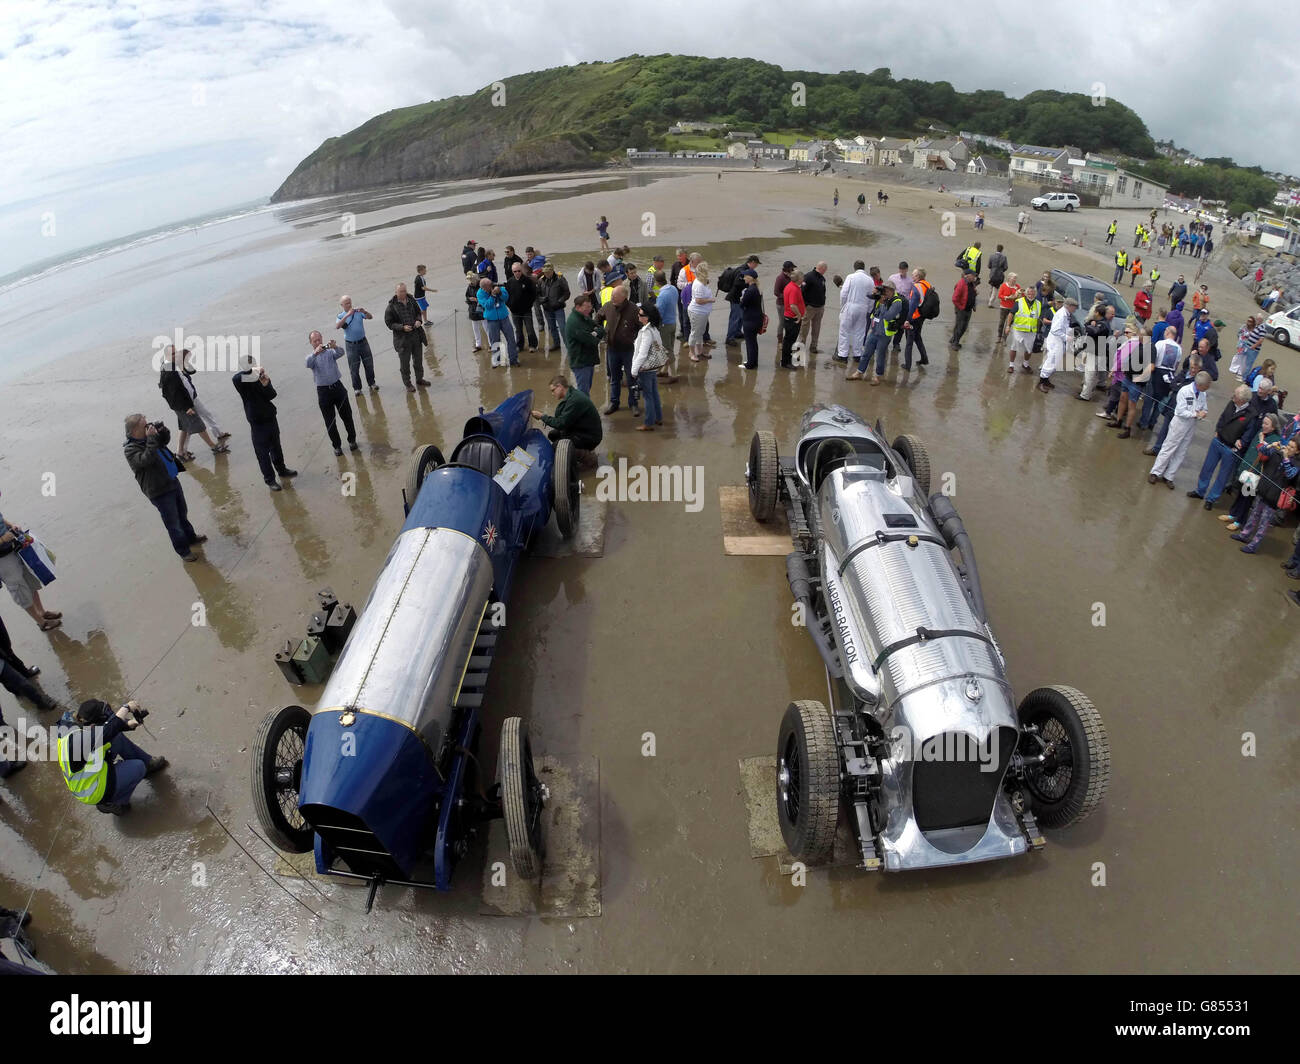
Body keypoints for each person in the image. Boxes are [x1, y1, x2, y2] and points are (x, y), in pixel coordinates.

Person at [57, 698, 167, 815]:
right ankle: (115, 803)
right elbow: (105, 730)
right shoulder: (78, 740)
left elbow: (107, 730)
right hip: (91, 790)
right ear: (92, 724)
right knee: (138, 767)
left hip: (89, 768)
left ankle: (148, 763)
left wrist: (130, 724)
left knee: (115, 737)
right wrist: (126, 707)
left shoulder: (74, 725)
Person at [121, 413, 207, 562]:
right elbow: (145, 460)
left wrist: (163, 431)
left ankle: (191, 538)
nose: (148, 428)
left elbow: (165, 442)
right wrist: (152, 438)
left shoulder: (149, 438)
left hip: (171, 481)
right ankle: (184, 551)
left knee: (182, 513)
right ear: (135, 431)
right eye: (144, 426)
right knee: (173, 523)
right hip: (158, 490)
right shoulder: (130, 449)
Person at [231, 367, 297, 491]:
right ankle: (270, 480)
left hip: (271, 419)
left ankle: (282, 470)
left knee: (276, 447)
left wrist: (266, 384)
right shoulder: (242, 384)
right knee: (262, 454)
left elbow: (272, 395)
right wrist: (252, 373)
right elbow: (235, 378)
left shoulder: (260, 379)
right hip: (257, 424)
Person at [1190, 385, 1256, 509]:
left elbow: (1248, 434)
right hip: (1218, 441)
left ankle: (1211, 499)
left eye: (1235, 395)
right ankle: (1200, 491)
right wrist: (1217, 430)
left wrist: (1239, 445)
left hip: (1230, 450)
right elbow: (1222, 417)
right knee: (1207, 468)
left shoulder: (1251, 415)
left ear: (1242, 400)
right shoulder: (1231, 404)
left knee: (1222, 476)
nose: (1232, 397)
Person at [0, 496, 62, 627]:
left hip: (14, 546)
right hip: (3, 559)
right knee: (19, 588)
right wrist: (3, 539)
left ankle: (42, 612)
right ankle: (41, 622)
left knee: (30, 579)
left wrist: (10, 525)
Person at [1230, 438, 1299, 553]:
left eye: (1292, 447)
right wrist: (1270, 446)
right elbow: (1262, 451)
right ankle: (1244, 535)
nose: (1288, 448)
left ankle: (1253, 546)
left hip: (1274, 497)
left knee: (1263, 523)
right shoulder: (1277, 453)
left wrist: (1286, 458)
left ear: (1297, 451)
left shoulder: (1296, 464)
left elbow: (1290, 474)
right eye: (1289, 445)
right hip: (1263, 490)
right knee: (1254, 515)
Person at [158, 349, 228, 462]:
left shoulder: (171, 366)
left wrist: (183, 363)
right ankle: (214, 447)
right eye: (173, 353)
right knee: (199, 426)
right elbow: (175, 391)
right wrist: (186, 407)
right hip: (184, 404)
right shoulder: (169, 370)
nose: (176, 354)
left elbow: (183, 380)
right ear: (167, 356)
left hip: (185, 402)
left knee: (184, 427)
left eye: (176, 352)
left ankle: (180, 452)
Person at [1148, 372, 1212, 487]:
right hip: (1179, 423)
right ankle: (1155, 472)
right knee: (1168, 448)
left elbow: (1204, 408)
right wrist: (1195, 414)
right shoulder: (1185, 391)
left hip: (1191, 425)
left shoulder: (1203, 394)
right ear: (1200, 385)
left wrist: (1203, 413)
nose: (1208, 388)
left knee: (1181, 451)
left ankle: (1169, 476)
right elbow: (1180, 411)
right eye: (1207, 386)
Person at [1225, 413, 1283, 531]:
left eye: (1267, 424)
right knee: (1240, 494)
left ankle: (1240, 521)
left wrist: (1262, 441)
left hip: (1256, 473)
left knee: (1247, 498)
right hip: (1248, 469)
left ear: (1273, 427)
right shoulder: (1260, 432)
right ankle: (1233, 514)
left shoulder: (1275, 440)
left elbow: (1264, 456)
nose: (1263, 426)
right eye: (1263, 423)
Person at [305, 332, 359, 456]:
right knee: (330, 421)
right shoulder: (311, 357)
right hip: (323, 392)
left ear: (322, 339)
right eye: (315, 341)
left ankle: (352, 440)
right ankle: (337, 446)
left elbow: (341, 353)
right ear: (311, 343)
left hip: (337, 387)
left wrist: (335, 346)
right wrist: (315, 352)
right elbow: (307, 363)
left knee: (347, 416)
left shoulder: (329, 352)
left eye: (319, 340)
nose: (318, 343)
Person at [532, 376, 602, 462]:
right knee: (553, 434)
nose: (552, 394)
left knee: (557, 446)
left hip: (590, 437)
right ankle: (576, 453)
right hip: (583, 431)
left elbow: (561, 424)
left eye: (553, 390)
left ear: (560, 386)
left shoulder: (574, 400)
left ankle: (589, 458)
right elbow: (563, 420)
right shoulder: (572, 395)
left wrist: (542, 416)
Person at [849, 282, 905, 385]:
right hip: (874, 331)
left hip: (884, 334)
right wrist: (875, 294)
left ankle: (878, 376)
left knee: (880, 355)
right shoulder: (882, 298)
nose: (885, 292)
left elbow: (888, 317)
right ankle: (859, 372)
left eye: (887, 290)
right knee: (866, 353)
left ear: (892, 290)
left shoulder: (897, 302)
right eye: (884, 290)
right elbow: (870, 300)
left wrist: (882, 304)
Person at [598, 284, 641, 414]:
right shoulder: (608, 306)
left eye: (614, 296)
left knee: (632, 378)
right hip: (612, 349)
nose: (611, 298)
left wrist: (636, 342)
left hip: (629, 350)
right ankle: (614, 402)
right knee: (614, 378)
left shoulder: (634, 309)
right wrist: (601, 333)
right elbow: (597, 319)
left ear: (624, 297)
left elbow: (641, 328)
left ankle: (633, 404)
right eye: (611, 296)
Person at [383, 282, 430, 390]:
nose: (403, 293)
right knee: (405, 364)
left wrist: (419, 320)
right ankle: (408, 384)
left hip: (416, 335)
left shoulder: (412, 300)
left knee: (418, 360)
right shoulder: (391, 307)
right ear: (396, 292)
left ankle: (419, 379)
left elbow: (419, 312)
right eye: (401, 291)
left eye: (404, 291)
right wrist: (402, 327)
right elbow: (389, 324)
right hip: (402, 340)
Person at [631, 303, 666, 430]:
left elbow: (642, 353)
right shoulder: (655, 329)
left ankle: (648, 422)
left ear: (647, 317)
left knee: (648, 396)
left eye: (640, 314)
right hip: (653, 367)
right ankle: (658, 417)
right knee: (654, 393)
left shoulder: (646, 332)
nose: (638, 316)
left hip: (645, 368)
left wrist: (633, 370)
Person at [335, 296, 378, 395]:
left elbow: (370, 317)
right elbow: (337, 326)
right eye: (346, 303)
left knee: (369, 364)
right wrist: (347, 315)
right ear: (342, 305)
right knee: (354, 368)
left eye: (349, 302)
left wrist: (364, 311)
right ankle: (357, 388)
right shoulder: (340, 316)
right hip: (351, 345)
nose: (349, 305)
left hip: (363, 342)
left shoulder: (358, 312)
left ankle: (372, 383)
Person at [1036, 296, 1079, 393]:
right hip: (1056, 341)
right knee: (1051, 361)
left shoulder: (1066, 313)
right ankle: (1041, 382)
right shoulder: (1062, 314)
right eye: (1074, 307)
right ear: (1069, 306)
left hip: (1059, 341)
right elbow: (1055, 330)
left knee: (1055, 361)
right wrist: (1066, 337)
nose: (1075, 309)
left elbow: (1064, 326)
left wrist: (1069, 333)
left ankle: (1046, 380)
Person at [564, 294, 602, 395]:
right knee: (583, 392)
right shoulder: (575, 322)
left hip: (588, 360)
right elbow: (592, 341)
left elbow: (599, 328)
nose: (590, 309)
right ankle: (584, 410)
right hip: (580, 362)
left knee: (586, 389)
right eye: (587, 307)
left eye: (590, 306)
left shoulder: (584, 317)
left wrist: (595, 333)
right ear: (578, 307)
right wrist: (595, 333)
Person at [836, 261, 874, 364]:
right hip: (863, 307)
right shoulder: (870, 280)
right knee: (860, 331)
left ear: (855, 267)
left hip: (851, 305)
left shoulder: (850, 277)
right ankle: (857, 354)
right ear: (864, 267)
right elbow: (872, 297)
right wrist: (869, 310)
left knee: (845, 331)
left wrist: (843, 306)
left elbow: (844, 293)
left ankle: (843, 355)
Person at [477, 277, 517, 367]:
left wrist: (499, 293)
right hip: (492, 320)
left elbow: (506, 298)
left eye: (491, 285)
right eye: (488, 287)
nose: (490, 287)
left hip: (504, 317)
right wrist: (493, 295)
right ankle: (497, 361)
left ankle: (513, 360)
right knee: (495, 341)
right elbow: (487, 305)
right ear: (483, 288)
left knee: (511, 338)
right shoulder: (480, 293)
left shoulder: (497, 286)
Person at [1078, 303, 1114, 399]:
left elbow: (1092, 331)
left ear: (1097, 313)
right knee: (1092, 374)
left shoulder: (1103, 324)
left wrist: (1090, 325)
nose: (1093, 313)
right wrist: (1091, 324)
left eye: (1095, 311)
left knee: (1090, 374)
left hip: (1096, 353)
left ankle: (1085, 395)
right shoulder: (1103, 322)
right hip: (1098, 351)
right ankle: (1087, 392)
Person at [724, 255, 762, 344]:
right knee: (735, 318)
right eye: (756, 264)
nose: (756, 266)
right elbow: (737, 283)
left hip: (739, 297)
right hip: (735, 298)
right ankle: (729, 338)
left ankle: (737, 332)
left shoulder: (744, 269)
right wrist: (748, 285)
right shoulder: (743, 270)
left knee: (741, 317)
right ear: (752, 262)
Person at [504, 261, 539, 353]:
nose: (517, 273)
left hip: (526, 310)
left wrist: (529, 304)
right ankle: (520, 345)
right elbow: (506, 296)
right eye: (515, 271)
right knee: (518, 330)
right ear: (512, 272)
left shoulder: (527, 281)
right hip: (515, 311)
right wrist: (510, 305)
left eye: (519, 271)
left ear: (521, 270)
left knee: (530, 329)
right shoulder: (510, 282)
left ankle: (533, 345)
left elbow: (533, 294)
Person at [536, 263, 570, 355]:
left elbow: (567, 293)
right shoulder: (541, 280)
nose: (546, 274)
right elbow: (537, 294)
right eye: (545, 272)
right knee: (552, 328)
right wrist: (541, 299)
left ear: (552, 271)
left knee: (563, 328)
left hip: (558, 308)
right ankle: (556, 344)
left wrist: (560, 301)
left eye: (548, 272)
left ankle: (569, 347)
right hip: (547, 309)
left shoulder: (560, 279)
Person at [903, 267, 932, 370]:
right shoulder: (927, 285)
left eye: (914, 275)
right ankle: (924, 358)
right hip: (922, 316)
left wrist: (907, 319)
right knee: (918, 337)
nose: (912, 276)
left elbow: (912, 306)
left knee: (909, 342)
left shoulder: (916, 287)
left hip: (914, 318)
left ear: (918, 276)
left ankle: (907, 365)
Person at [687, 261, 715, 364]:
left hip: (703, 312)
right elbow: (698, 300)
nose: (709, 271)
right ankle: (692, 353)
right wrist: (710, 300)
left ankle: (700, 352)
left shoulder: (702, 281)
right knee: (695, 333)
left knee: (700, 332)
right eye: (707, 270)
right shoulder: (699, 284)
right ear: (703, 272)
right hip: (697, 312)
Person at [799, 261, 828, 353]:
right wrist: (805, 305)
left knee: (816, 327)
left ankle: (813, 346)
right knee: (804, 327)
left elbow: (823, 291)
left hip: (820, 307)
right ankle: (801, 346)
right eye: (825, 269)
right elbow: (802, 291)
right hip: (810, 307)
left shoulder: (822, 278)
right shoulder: (808, 276)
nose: (826, 271)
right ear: (822, 268)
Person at [739, 272, 764, 370]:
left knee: (750, 342)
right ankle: (753, 361)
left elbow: (742, 304)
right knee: (753, 342)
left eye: (745, 276)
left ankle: (750, 364)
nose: (744, 278)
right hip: (757, 318)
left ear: (750, 278)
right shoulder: (757, 288)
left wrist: (742, 298)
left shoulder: (750, 290)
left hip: (750, 320)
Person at [950, 270, 977, 348]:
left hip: (968, 309)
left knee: (963, 327)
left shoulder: (971, 283)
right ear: (967, 276)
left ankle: (954, 340)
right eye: (973, 275)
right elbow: (954, 299)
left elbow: (972, 295)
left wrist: (974, 305)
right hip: (961, 309)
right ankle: (955, 343)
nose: (974, 277)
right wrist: (961, 307)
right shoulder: (961, 284)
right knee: (960, 326)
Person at [463, 270, 488, 352]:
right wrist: (469, 299)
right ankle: (478, 345)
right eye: (469, 280)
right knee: (475, 328)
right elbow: (467, 297)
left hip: (481, 310)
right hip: (473, 310)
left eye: (471, 279)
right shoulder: (469, 286)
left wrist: (477, 300)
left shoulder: (481, 286)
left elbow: (485, 297)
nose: (470, 281)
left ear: (475, 279)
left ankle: (491, 344)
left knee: (486, 327)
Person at [995, 271, 1022, 341]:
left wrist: (1019, 295)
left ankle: (1004, 339)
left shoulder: (1017, 287)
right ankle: (999, 337)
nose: (1015, 280)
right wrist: (1007, 297)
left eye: (1016, 278)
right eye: (1014, 278)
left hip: (1013, 309)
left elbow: (1021, 296)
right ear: (1009, 278)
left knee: (1009, 324)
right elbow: (999, 295)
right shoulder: (1004, 285)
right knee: (1001, 323)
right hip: (1004, 307)